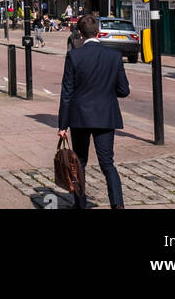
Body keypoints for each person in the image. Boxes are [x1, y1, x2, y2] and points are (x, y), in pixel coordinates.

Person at [58, 12, 129, 210]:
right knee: (107, 163)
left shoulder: (74, 56)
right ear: (98, 32)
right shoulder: (114, 56)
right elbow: (124, 90)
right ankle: (117, 204)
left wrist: (62, 125)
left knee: (79, 162)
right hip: (106, 115)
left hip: (80, 116)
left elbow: (67, 92)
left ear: (80, 33)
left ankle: (80, 205)